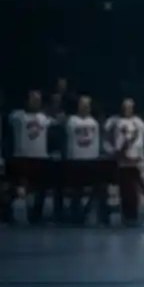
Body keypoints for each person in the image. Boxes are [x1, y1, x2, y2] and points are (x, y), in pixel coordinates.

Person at [8, 91, 53, 224]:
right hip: (22, 158)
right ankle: (12, 215)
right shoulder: (17, 116)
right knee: (21, 189)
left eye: (38, 99)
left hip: (40, 158)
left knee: (40, 189)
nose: (35, 102)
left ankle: (36, 216)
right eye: (33, 99)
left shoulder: (44, 118)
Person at [106, 99, 144, 226]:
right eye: (125, 107)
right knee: (124, 191)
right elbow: (108, 137)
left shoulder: (138, 122)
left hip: (136, 162)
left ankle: (134, 215)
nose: (127, 110)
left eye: (130, 107)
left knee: (135, 191)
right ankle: (126, 216)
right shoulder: (115, 122)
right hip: (122, 162)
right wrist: (114, 152)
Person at [63, 96, 101, 225]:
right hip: (75, 159)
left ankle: (86, 212)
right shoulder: (72, 121)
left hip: (91, 159)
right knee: (76, 191)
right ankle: (75, 215)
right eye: (83, 104)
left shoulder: (94, 122)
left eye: (87, 105)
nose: (85, 107)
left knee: (94, 190)